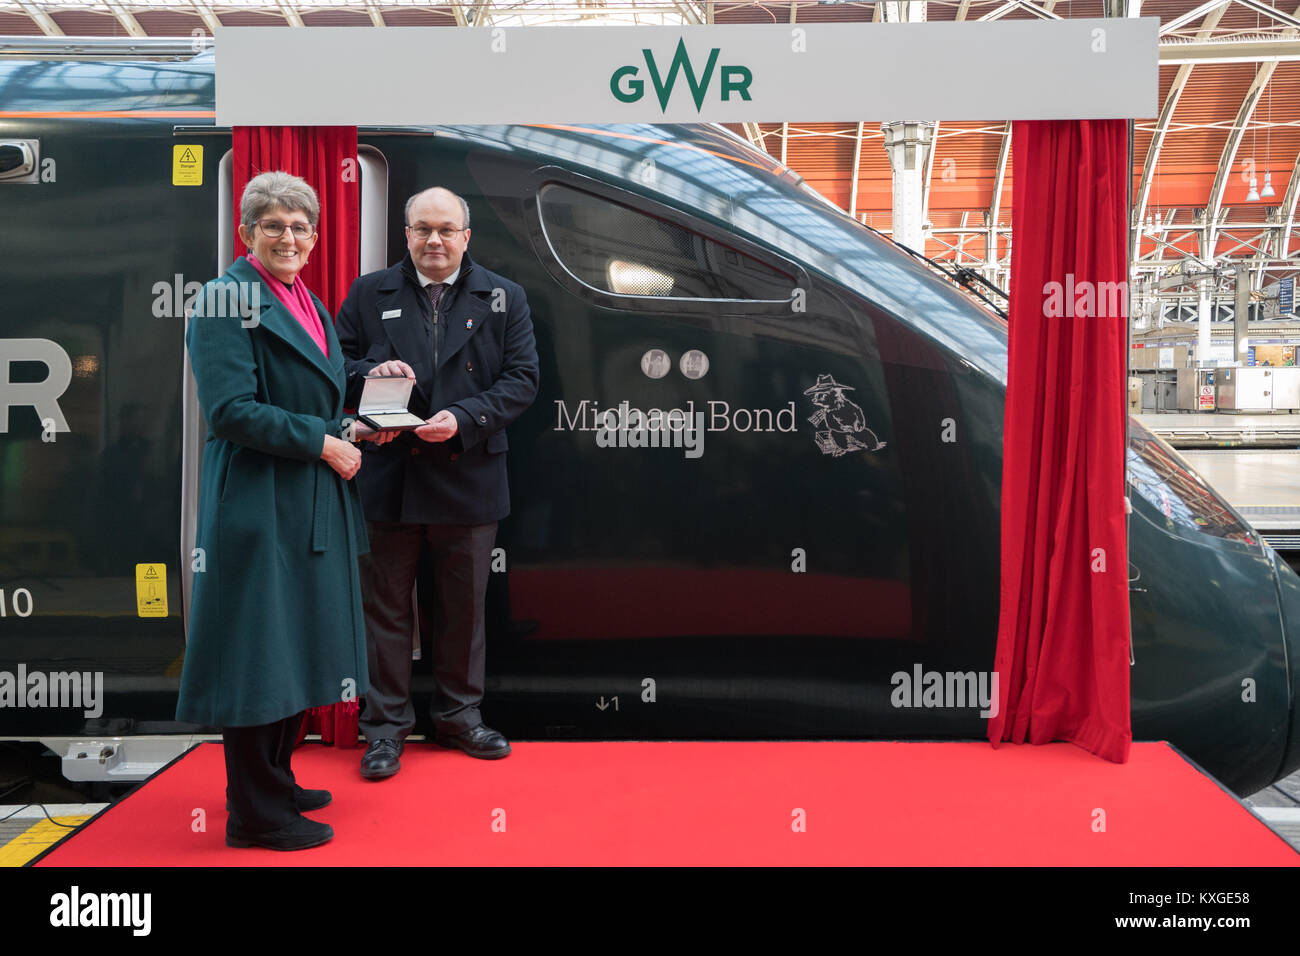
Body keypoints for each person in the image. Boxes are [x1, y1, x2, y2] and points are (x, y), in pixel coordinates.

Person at [177, 171, 393, 850]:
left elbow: (312, 399)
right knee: (256, 656)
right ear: (246, 233)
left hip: (301, 498)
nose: (289, 236)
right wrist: (324, 444)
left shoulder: (302, 298)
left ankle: (277, 779)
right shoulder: (223, 300)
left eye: (300, 226)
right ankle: (256, 815)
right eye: (273, 224)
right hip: (258, 502)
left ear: (316, 236)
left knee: (291, 647)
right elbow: (232, 411)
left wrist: (354, 423)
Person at [336, 186, 539, 779]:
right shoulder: (369, 292)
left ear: (465, 236)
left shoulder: (505, 297)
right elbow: (335, 364)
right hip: (388, 477)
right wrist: (370, 372)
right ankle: (385, 731)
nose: (434, 240)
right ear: (406, 235)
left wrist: (465, 418)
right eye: (422, 229)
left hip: (467, 473)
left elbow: (523, 379)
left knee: (461, 612)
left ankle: (459, 717)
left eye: (446, 230)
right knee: (387, 613)